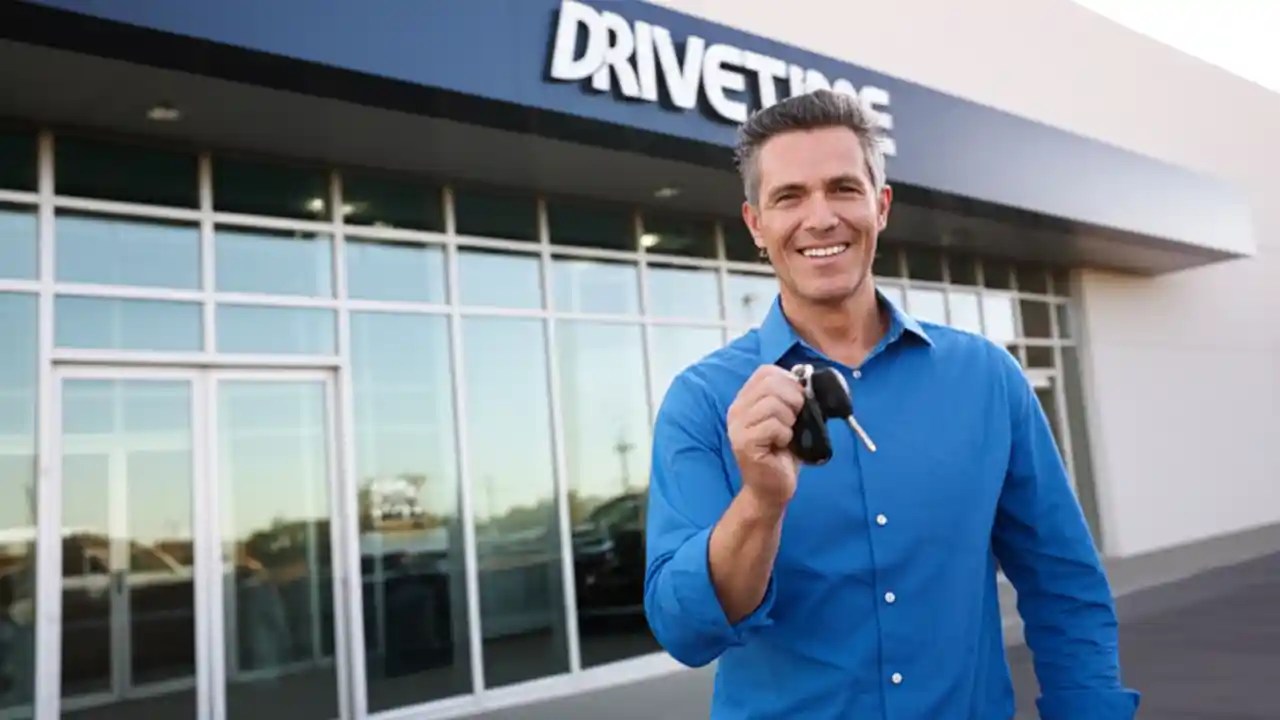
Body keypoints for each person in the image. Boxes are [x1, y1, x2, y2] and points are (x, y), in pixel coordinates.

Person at [642, 89, 1140, 719]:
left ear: (880, 207)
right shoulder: (705, 402)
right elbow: (685, 632)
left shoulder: (986, 379)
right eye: (789, 197)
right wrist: (760, 504)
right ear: (756, 225)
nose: (820, 218)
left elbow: (1064, 586)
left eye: (843, 189)